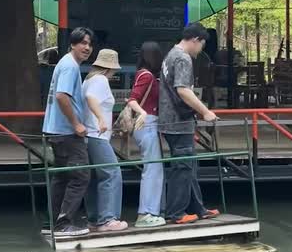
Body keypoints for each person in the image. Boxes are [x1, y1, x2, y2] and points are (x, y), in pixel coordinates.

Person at [158, 22, 221, 224]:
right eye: (202, 44)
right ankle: (176, 212)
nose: (201, 49)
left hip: (171, 120)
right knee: (183, 168)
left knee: (188, 167)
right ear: (195, 40)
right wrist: (205, 111)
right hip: (179, 121)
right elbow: (183, 90)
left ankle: (197, 208)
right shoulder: (183, 58)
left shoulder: (170, 55)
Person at [42, 27, 94, 237]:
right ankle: (63, 224)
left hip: (56, 130)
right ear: (72, 44)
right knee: (81, 175)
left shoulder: (64, 63)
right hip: (66, 132)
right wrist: (76, 124)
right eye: (83, 43)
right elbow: (62, 96)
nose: (87, 47)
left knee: (62, 177)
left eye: (89, 44)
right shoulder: (70, 66)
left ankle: (52, 222)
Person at [82, 49, 127, 232]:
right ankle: (108, 219)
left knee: (94, 177)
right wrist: (101, 118)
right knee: (112, 173)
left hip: (89, 136)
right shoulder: (100, 80)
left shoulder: (88, 80)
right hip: (97, 135)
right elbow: (91, 98)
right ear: (109, 68)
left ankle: (94, 219)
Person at [126, 42, 166, 228]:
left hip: (147, 124)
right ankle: (146, 214)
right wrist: (142, 113)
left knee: (153, 168)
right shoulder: (147, 76)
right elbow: (132, 99)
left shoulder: (142, 73)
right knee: (152, 169)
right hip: (147, 123)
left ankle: (152, 211)